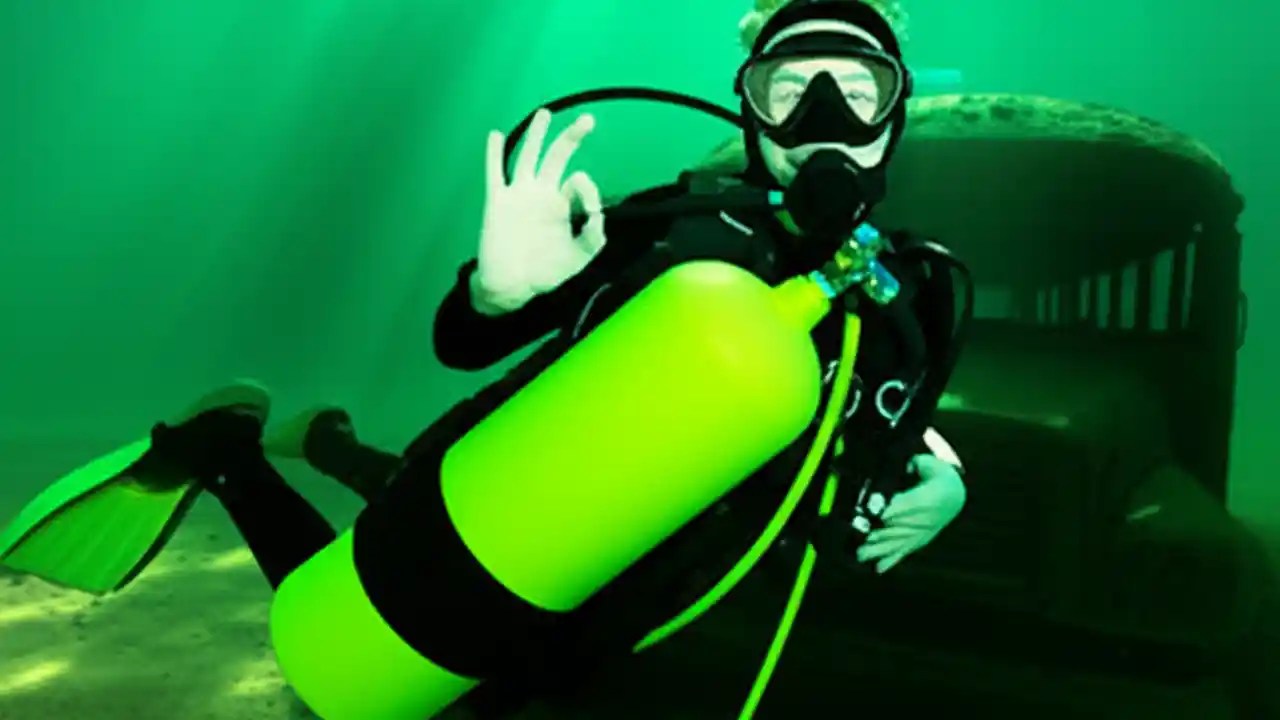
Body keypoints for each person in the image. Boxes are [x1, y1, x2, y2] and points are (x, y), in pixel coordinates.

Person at [0, 0, 968, 715]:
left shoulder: (913, 292)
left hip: (646, 585)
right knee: (360, 628)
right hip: (496, 505)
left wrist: (944, 472)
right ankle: (232, 456)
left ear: (895, 112)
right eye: (789, 90)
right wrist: (497, 295)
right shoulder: (669, 229)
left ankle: (330, 440)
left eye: (858, 91)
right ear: (748, 110)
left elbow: (888, 402)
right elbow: (461, 347)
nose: (824, 120)